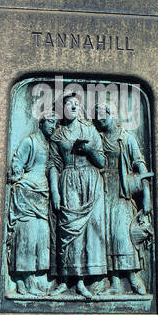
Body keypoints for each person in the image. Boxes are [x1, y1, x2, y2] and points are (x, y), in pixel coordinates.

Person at [48, 92, 107, 298]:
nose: (73, 107)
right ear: (62, 109)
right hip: (68, 180)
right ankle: (64, 280)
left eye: (76, 104)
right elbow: (54, 164)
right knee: (68, 232)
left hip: (90, 181)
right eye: (68, 104)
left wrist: (89, 149)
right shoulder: (58, 135)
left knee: (88, 233)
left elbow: (101, 162)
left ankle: (82, 281)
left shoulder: (89, 130)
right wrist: (54, 191)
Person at [95, 108, 152, 295]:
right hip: (103, 192)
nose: (99, 118)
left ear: (111, 114)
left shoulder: (127, 138)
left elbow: (140, 166)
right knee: (106, 237)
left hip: (122, 192)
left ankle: (133, 277)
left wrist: (146, 197)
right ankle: (114, 283)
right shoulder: (99, 139)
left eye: (102, 114)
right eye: (96, 115)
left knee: (122, 236)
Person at [6, 115, 58, 295]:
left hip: (42, 194)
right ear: (41, 123)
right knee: (26, 235)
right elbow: (17, 165)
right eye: (51, 122)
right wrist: (20, 180)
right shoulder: (30, 142)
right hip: (27, 192)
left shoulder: (51, 145)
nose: (54, 126)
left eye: (56, 123)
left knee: (41, 236)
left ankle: (32, 279)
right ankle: (22, 280)